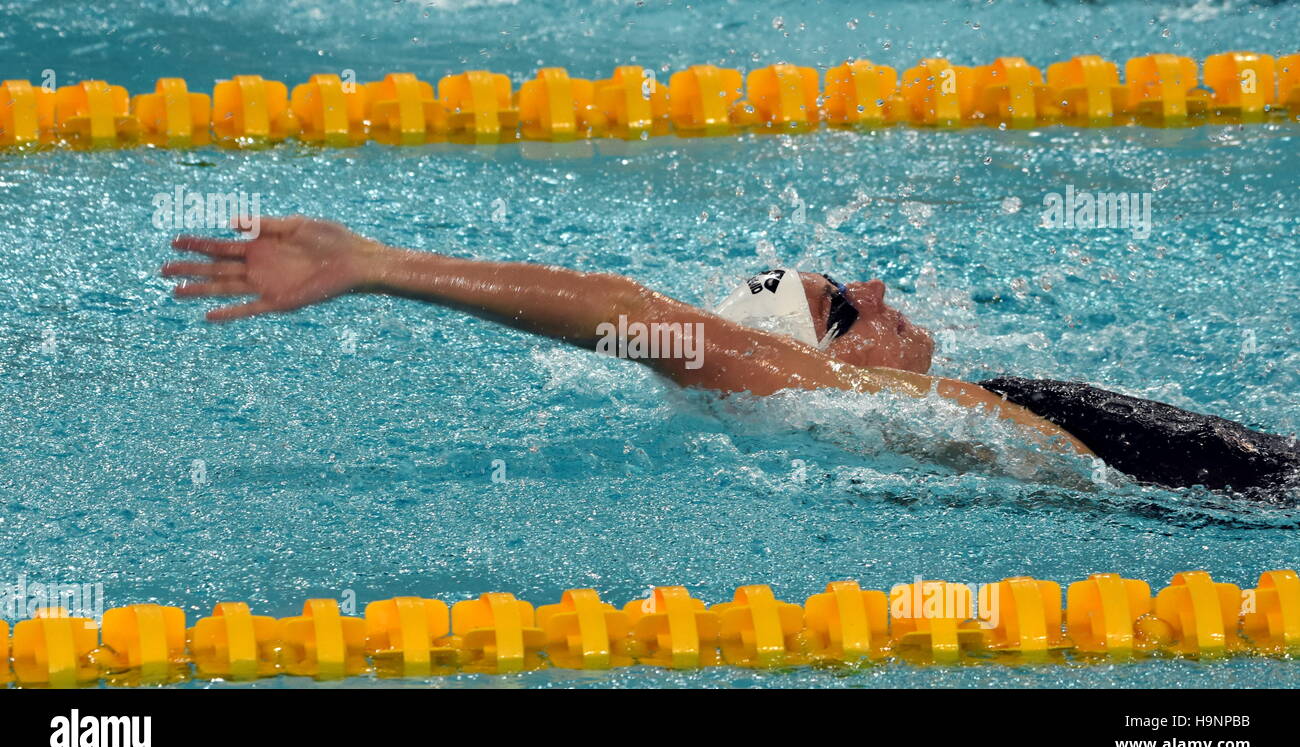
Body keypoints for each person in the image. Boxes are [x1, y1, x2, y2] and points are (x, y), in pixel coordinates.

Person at [162, 216, 1298, 498]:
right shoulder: (858, 408)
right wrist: (377, 262)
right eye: (842, 305)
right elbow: (627, 315)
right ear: (794, 368)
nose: (878, 291)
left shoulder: (912, 418)